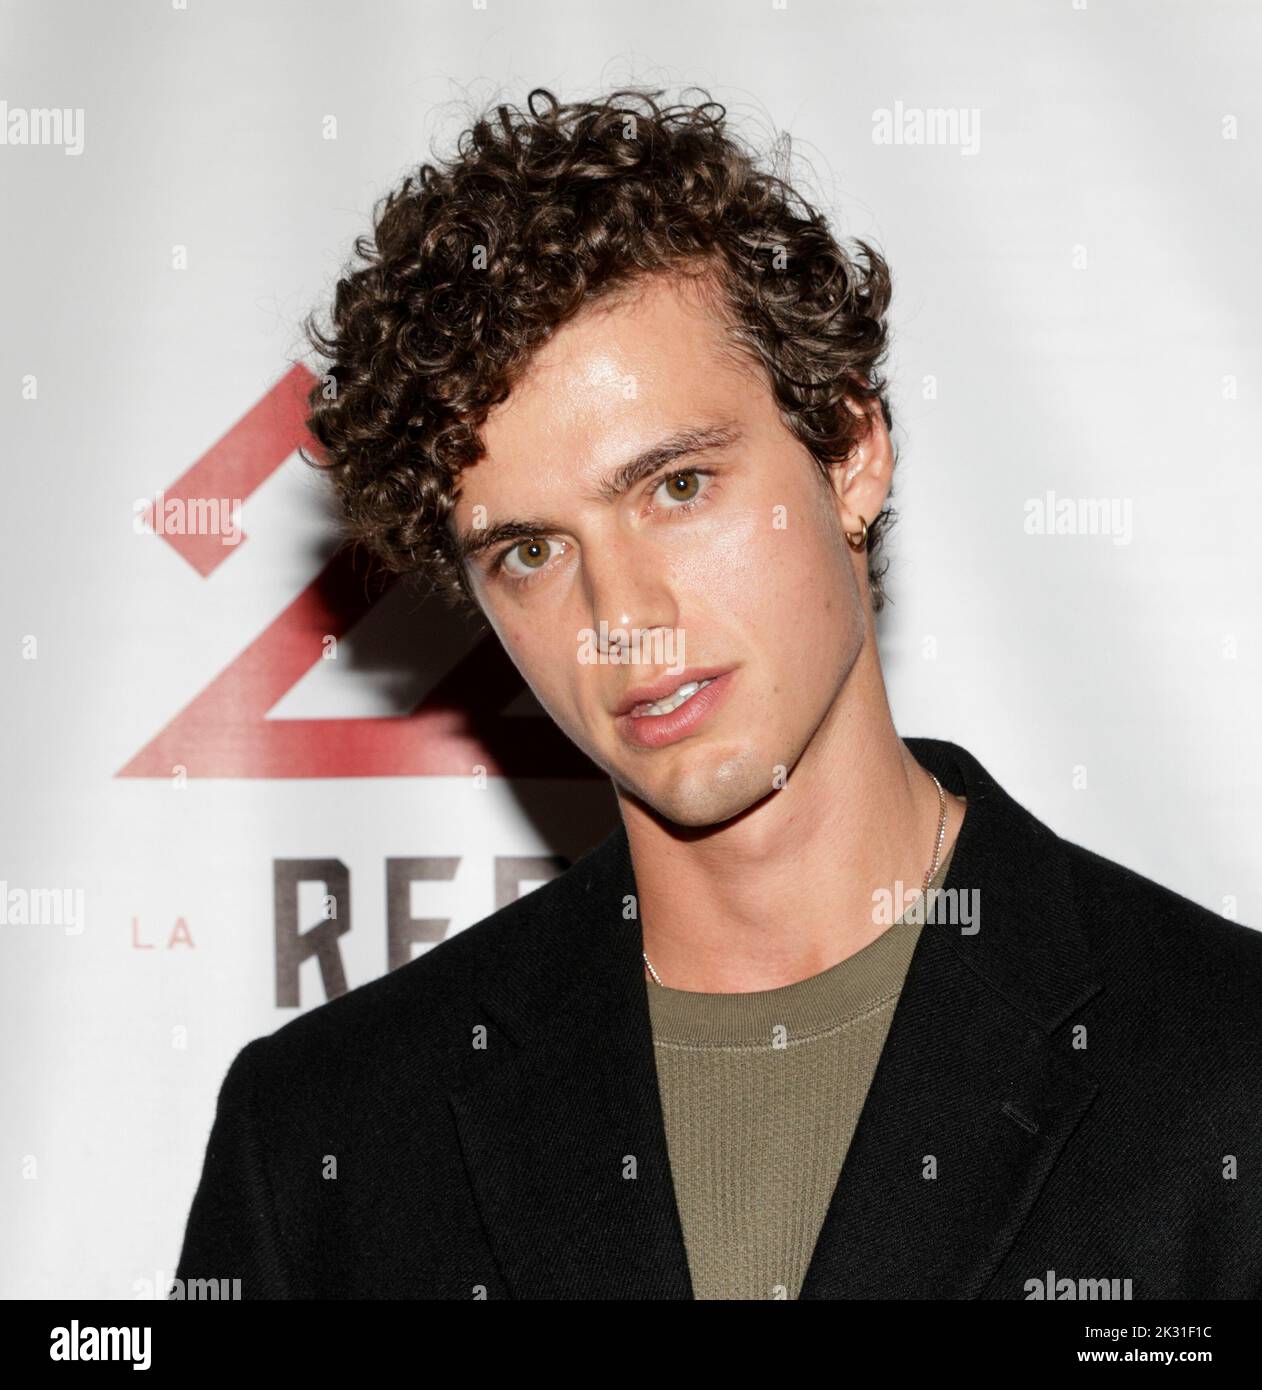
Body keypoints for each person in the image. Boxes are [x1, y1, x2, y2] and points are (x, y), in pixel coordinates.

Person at [174, 88, 1262, 1299]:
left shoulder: (1223, 1069)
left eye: (677, 487)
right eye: (530, 550)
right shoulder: (326, 1142)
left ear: (850, 452)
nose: (622, 614)